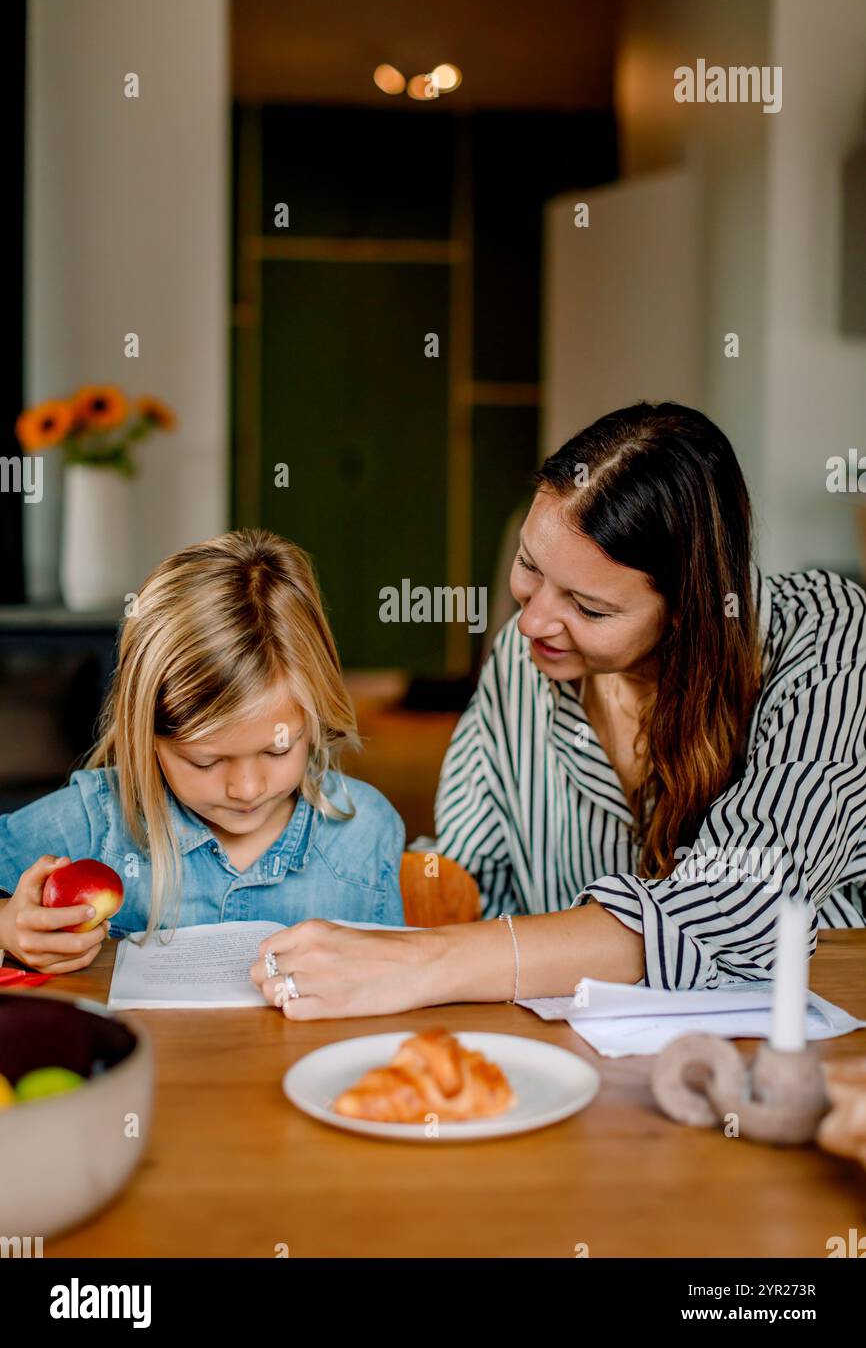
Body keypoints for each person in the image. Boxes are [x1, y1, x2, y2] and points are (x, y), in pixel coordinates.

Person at [249, 402, 866, 1017]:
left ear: (687, 608)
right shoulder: (527, 666)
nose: (533, 622)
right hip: (578, 1060)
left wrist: (422, 963)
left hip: (810, 1052)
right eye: (529, 566)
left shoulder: (828, 639)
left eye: (590, 608)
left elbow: (741, 900)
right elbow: (470, 884)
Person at [0, 530, 405, 974]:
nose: (247, 788)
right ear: (147, 736)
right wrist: (8, 927)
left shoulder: (366, 832)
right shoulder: (96, 821)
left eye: (277, 750)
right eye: (206, 761)